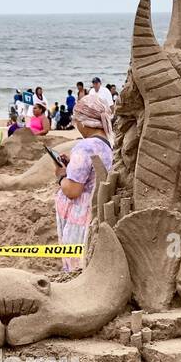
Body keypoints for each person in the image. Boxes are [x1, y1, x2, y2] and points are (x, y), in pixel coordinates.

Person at [53, 92, 113, 251]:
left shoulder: (85, 146)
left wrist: (61, 176)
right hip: (98, 212)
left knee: (76, 264)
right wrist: (72, 166)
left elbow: (72, 190)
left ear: (85, 123)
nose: (76, 124)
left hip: (81, 218)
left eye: (76, 120)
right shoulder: (108, 144)